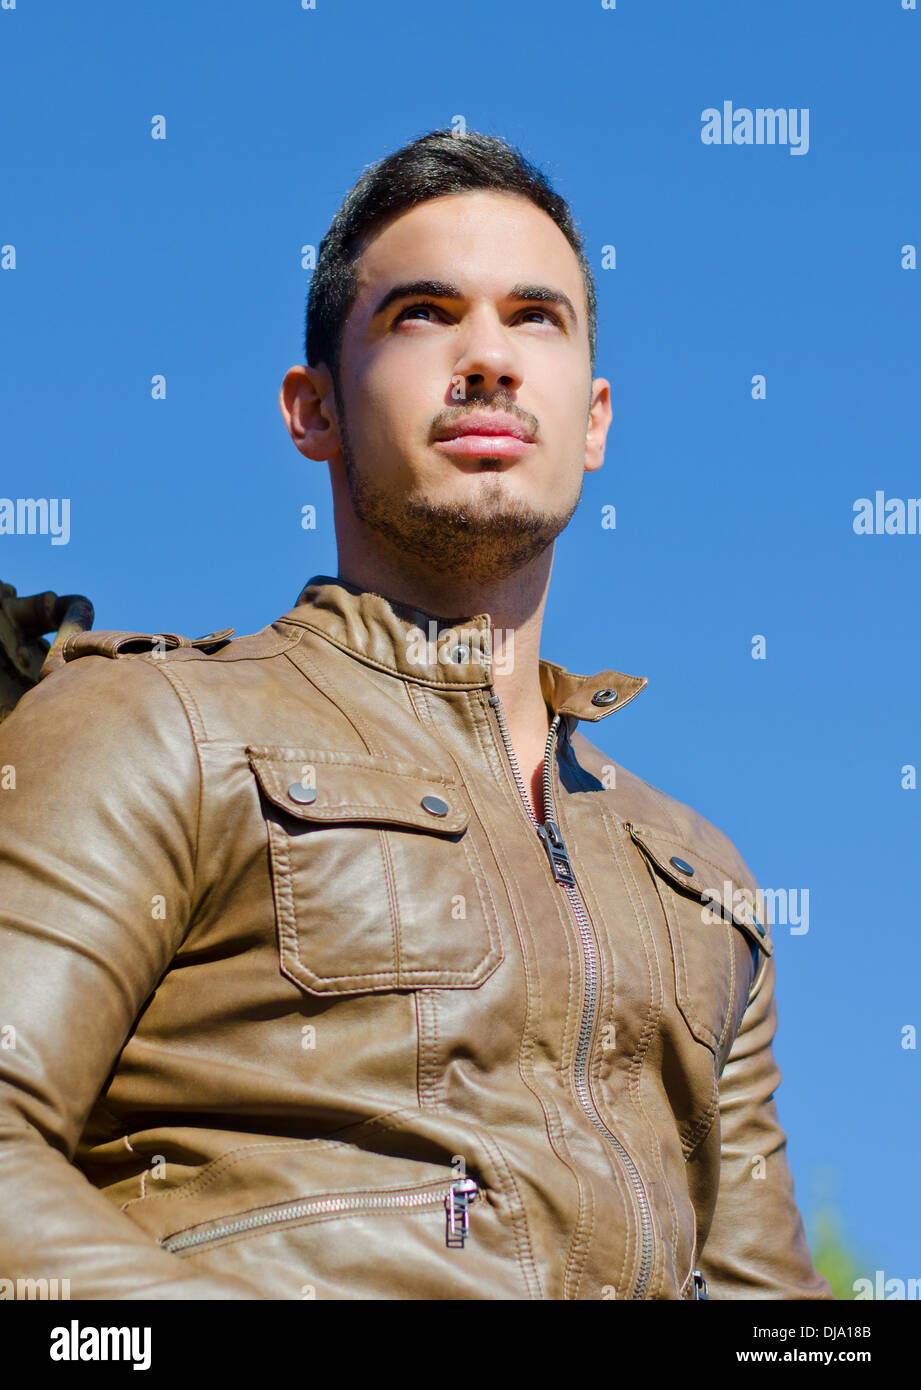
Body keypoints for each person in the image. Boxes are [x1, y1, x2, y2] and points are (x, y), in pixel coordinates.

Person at [0, 129, 832, 1300]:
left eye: (536, 316)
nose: (488, 357)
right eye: (423, 314)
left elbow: (769, 1308)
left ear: (594, 418)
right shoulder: (153, 726)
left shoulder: (700, 878)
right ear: (313, 408)